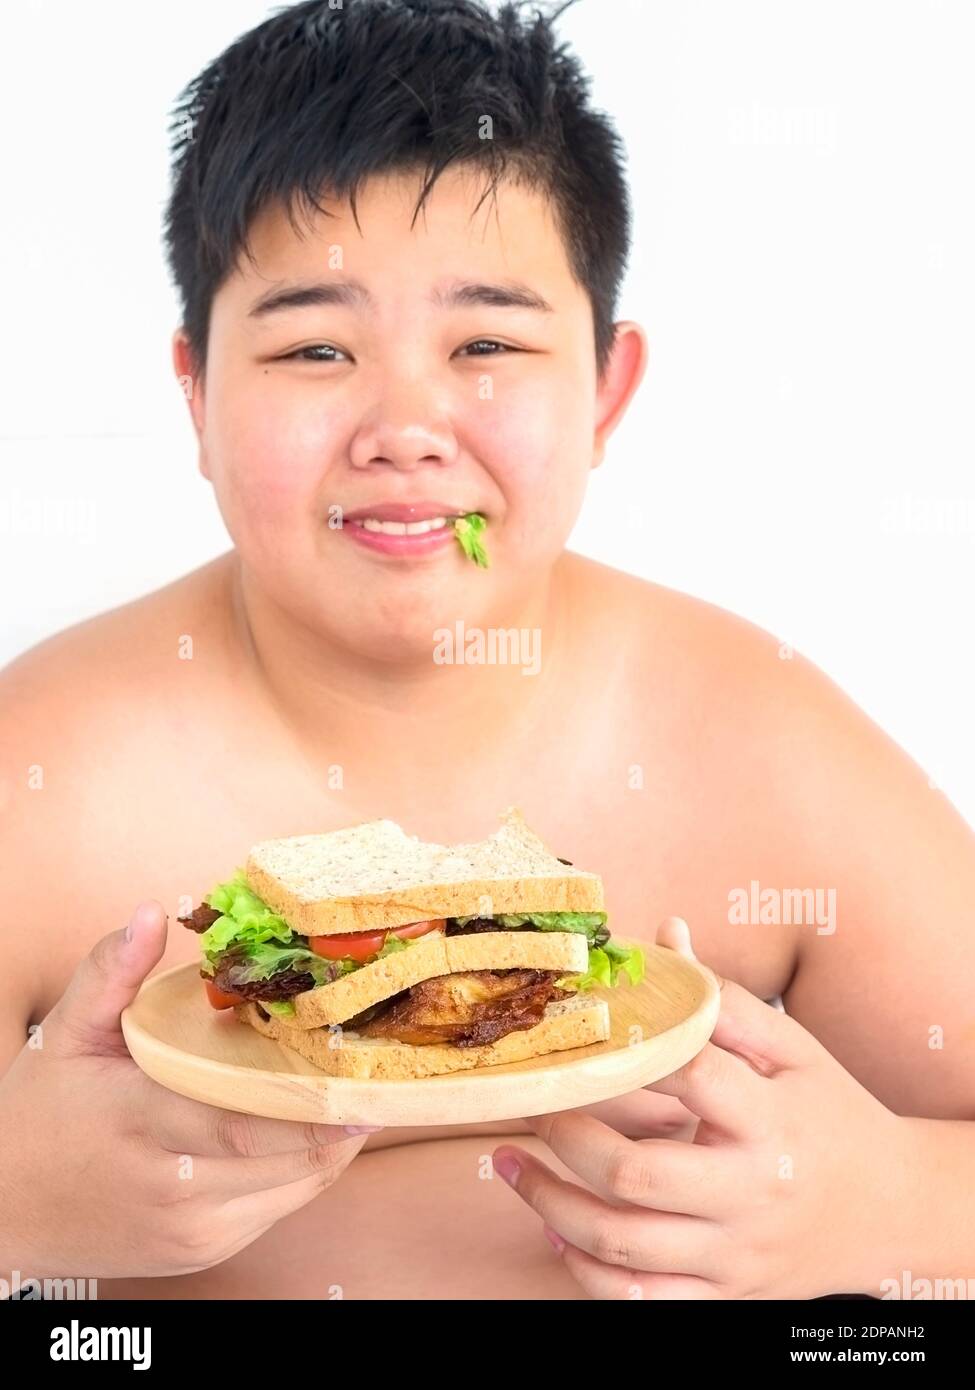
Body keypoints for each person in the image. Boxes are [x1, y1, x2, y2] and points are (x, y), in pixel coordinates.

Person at [1, 0, 972, 1301]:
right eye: (314, 348)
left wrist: (881, 1204)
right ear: (196, 393)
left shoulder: (753, 739)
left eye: (488, 345)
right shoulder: (49, 769)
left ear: (605, 393)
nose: (407, 426)